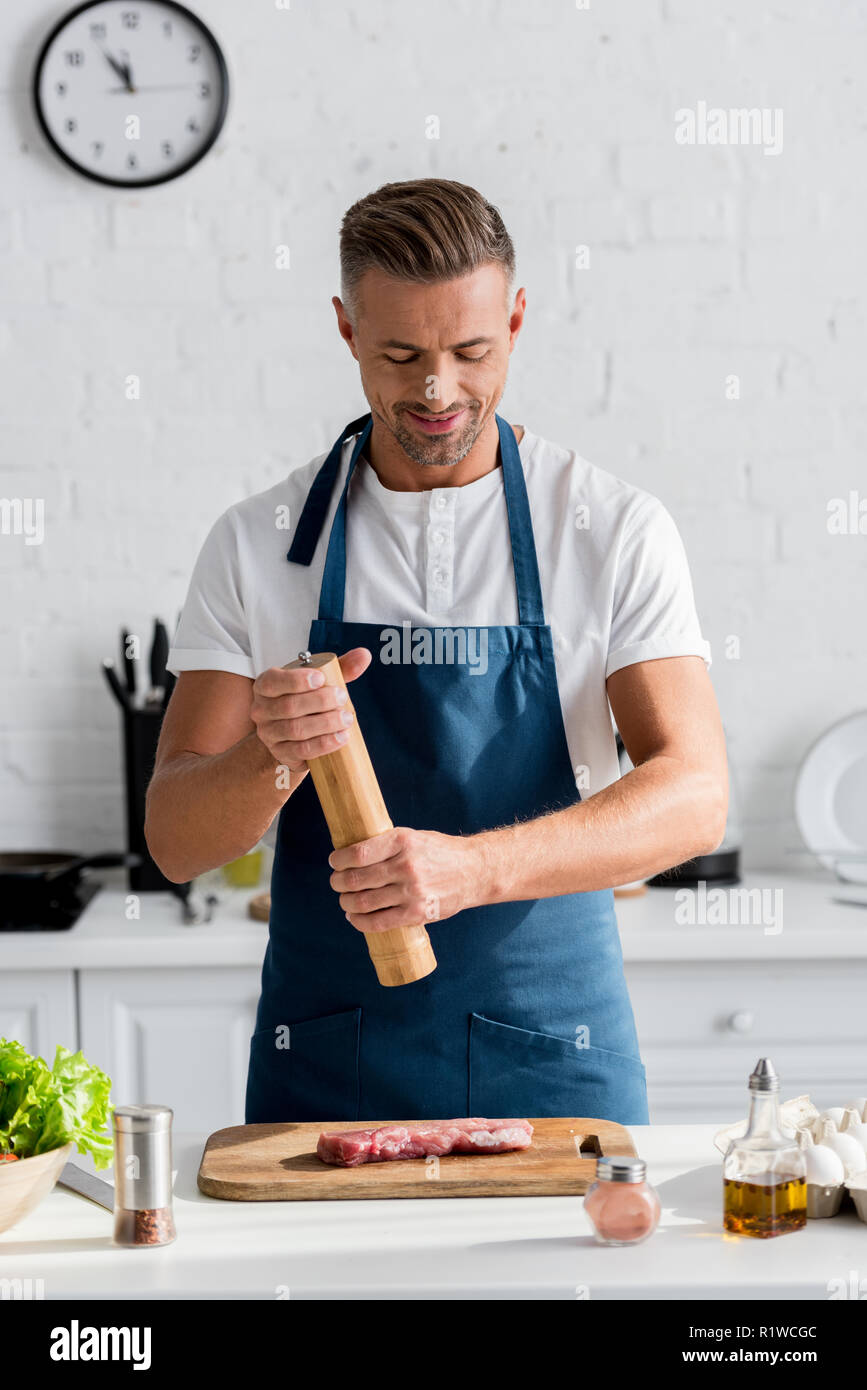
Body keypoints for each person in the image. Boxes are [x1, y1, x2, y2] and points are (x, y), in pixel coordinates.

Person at [146, 178, 727, 1125]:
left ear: (518, 315)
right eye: (400, 354)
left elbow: (695, 794)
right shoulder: (261, 543)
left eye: (471, 351)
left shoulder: (611, 529)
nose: (435, 390)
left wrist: (473, 870)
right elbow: (176, 842)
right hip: (329, 1064)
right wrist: (272, 751)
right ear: (343, 328)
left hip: (554, 1059)